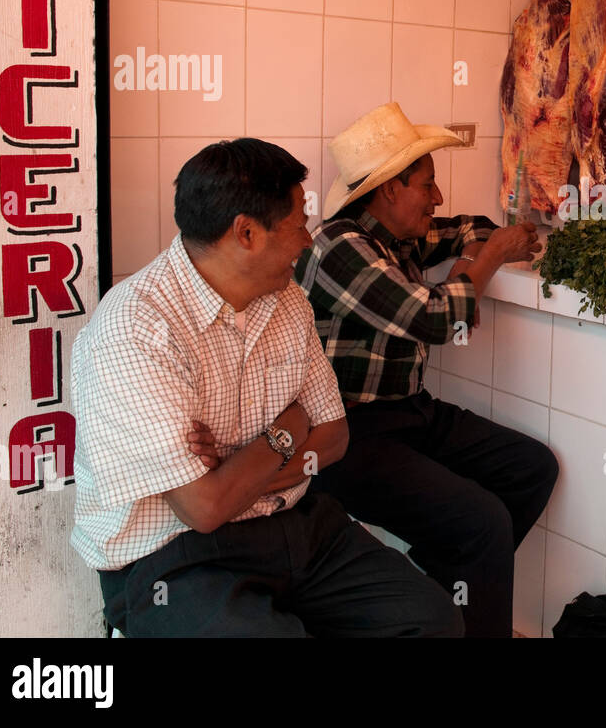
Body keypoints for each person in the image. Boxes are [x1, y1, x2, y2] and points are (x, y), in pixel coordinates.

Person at [71, 138, 462, 637]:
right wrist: (287, 429)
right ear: (247, 233)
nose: (307, 238)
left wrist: (237, 473)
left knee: (433, 620)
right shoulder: (136, 328)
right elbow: (204, 509)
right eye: (299, 221)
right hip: (173, 557)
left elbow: (334, 437)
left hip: (298, 525)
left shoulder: (287, 301)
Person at [295, 103, 558, 638]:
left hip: (410, 412)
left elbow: (472, 228)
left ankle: (439, 597)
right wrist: (484, 262)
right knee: (482, 522)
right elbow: (434, 318)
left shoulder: (398, 235)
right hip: (347, 434)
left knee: (531, 467)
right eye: (427, 184)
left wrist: (480, 248)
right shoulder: (338, 246)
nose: (437, 197)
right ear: (390, 188)